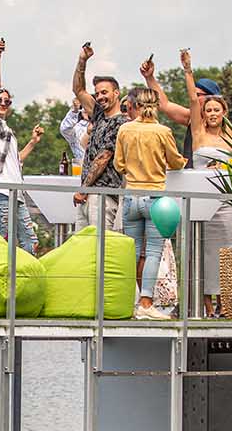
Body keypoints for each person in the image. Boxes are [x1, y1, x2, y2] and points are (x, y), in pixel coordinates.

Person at [141, 49, 232, 315]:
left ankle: (224, 306)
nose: (205, 108)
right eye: (202, 105)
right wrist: (154, 79)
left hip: (223, 199)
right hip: (195, 196)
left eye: (206, 101)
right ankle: (199, 304)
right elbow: (166, 104)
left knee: (224, 254)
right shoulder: (195, 124)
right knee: (194, 252)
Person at [114, 85, 187, 319]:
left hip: (131, 197)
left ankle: (127, 302)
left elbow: (119, 164)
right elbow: (176, 162)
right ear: (155, 107)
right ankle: (146, 303)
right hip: (155, 198)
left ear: (133, 105)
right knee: (154, 252)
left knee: (132, 251)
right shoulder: (163, 131)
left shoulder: (125, 130)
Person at [0, 38, 42, 253]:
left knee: (30, 244)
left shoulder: (7, 130)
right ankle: (1, 285)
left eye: (8, 101)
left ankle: (22, 284)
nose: (3, 103)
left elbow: (15, 162)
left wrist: (32, 143)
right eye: (1, 101)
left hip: (17, 193)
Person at [71, 43, 128, 232]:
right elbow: (78, 90)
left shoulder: (121, 122)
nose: (100, 96)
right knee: (82, 247)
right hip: (88, 193)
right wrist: (82, 60)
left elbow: (104, 157)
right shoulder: (98, 114)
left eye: (105, 92)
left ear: (116, 93)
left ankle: (225, 261)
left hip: (103, 194)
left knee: (99, 248)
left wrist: (83, 189)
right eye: (98, 93)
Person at [59, 98, 90, 168]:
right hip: (82, 171)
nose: (87, 110)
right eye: (84, 107)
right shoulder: (78, 129)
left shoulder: (107, 124)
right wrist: (75, 110)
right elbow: (65, 129)